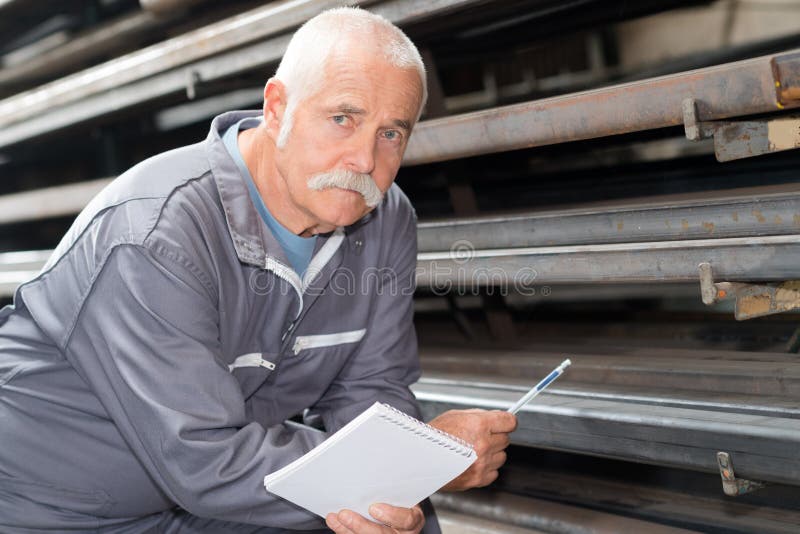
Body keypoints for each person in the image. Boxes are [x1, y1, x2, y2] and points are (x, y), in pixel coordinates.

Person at [0, 7, 516, 533]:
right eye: (344, 118)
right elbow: (203, 455)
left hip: (208, 504)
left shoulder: (382, 217)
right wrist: (410, 464)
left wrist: (401, 481)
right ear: (276, 109)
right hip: (51, 510)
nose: (364, 158)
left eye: (391, 134)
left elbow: (370, 389)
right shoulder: (156, 234)